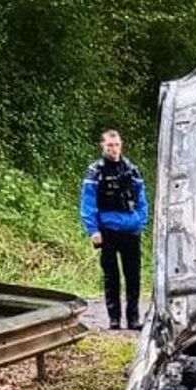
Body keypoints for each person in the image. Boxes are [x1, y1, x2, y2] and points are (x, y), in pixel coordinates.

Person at [80, 130, 148, 330]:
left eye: (116, 144)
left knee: (133, 276)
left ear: (121, 145)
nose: (113, 149)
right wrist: (93, 230)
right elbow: (88, 202)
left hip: (130, 230)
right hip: (107, 230)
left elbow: (142, 199)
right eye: (109, 145)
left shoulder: (131, 169)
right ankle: (114, 319)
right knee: (111, 276)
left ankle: (133, 318)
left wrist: (140, 222)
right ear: (103, 146)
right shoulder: (96, 171)